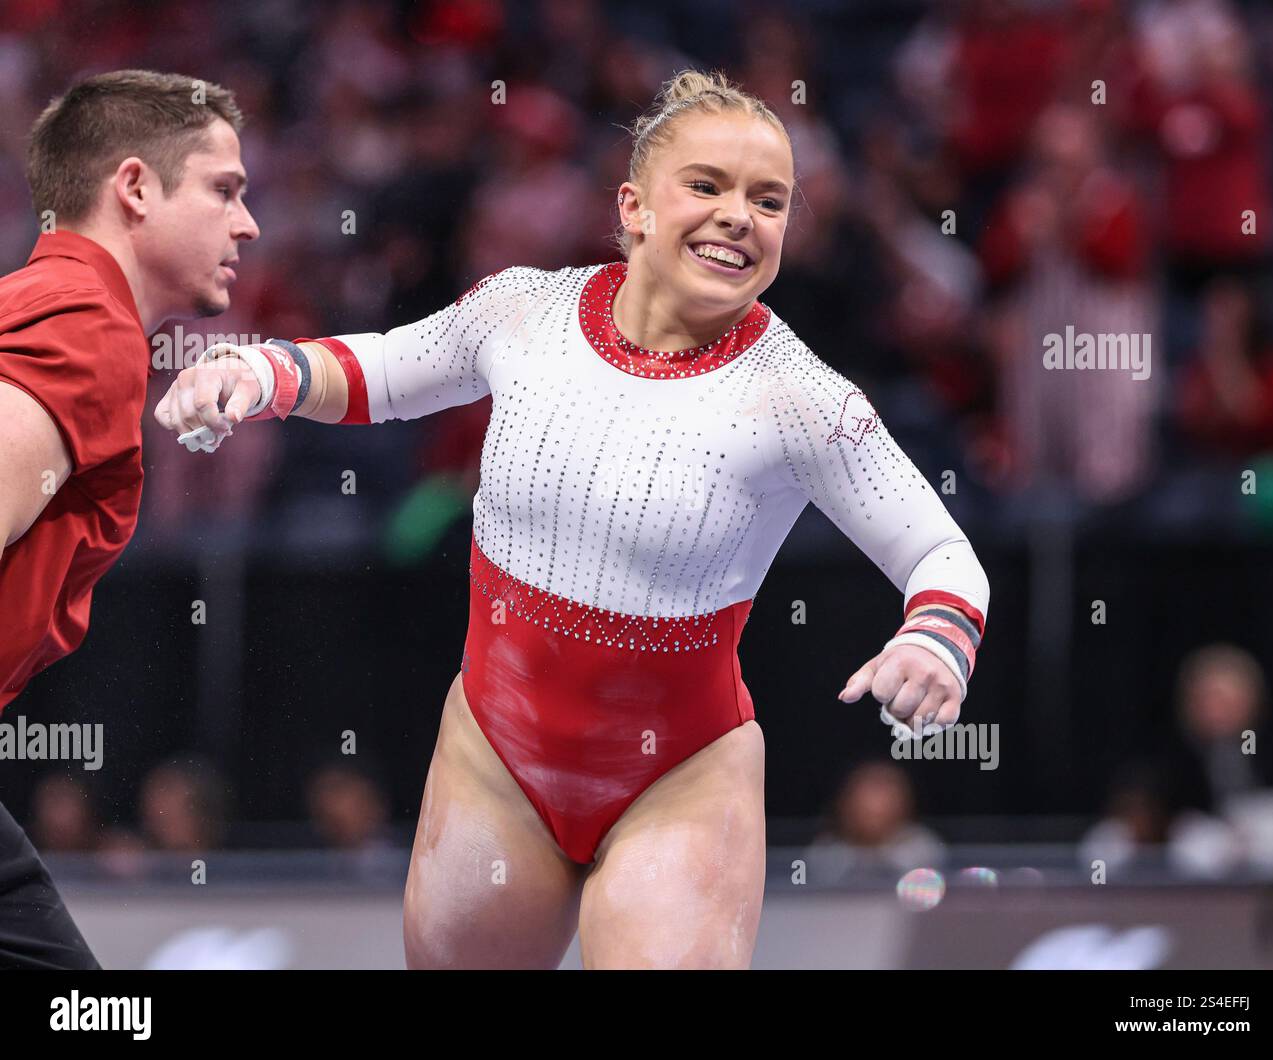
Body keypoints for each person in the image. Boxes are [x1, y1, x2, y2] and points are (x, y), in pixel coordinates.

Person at [155, 69, 990, 969]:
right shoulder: (525, 310)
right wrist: (258, 372)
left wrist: (933, 639)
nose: (738, 215)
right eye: (706, 186)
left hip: (680, 775)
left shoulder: (801, 399)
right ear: (633, 206)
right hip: (495, 758)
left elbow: (941, 550)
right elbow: (381, 375)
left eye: (769, 200)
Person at [0, 69, 259, 969]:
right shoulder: (84, 324)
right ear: (137, 188)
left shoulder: (51, 306)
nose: (248, 223)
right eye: (224, 190)